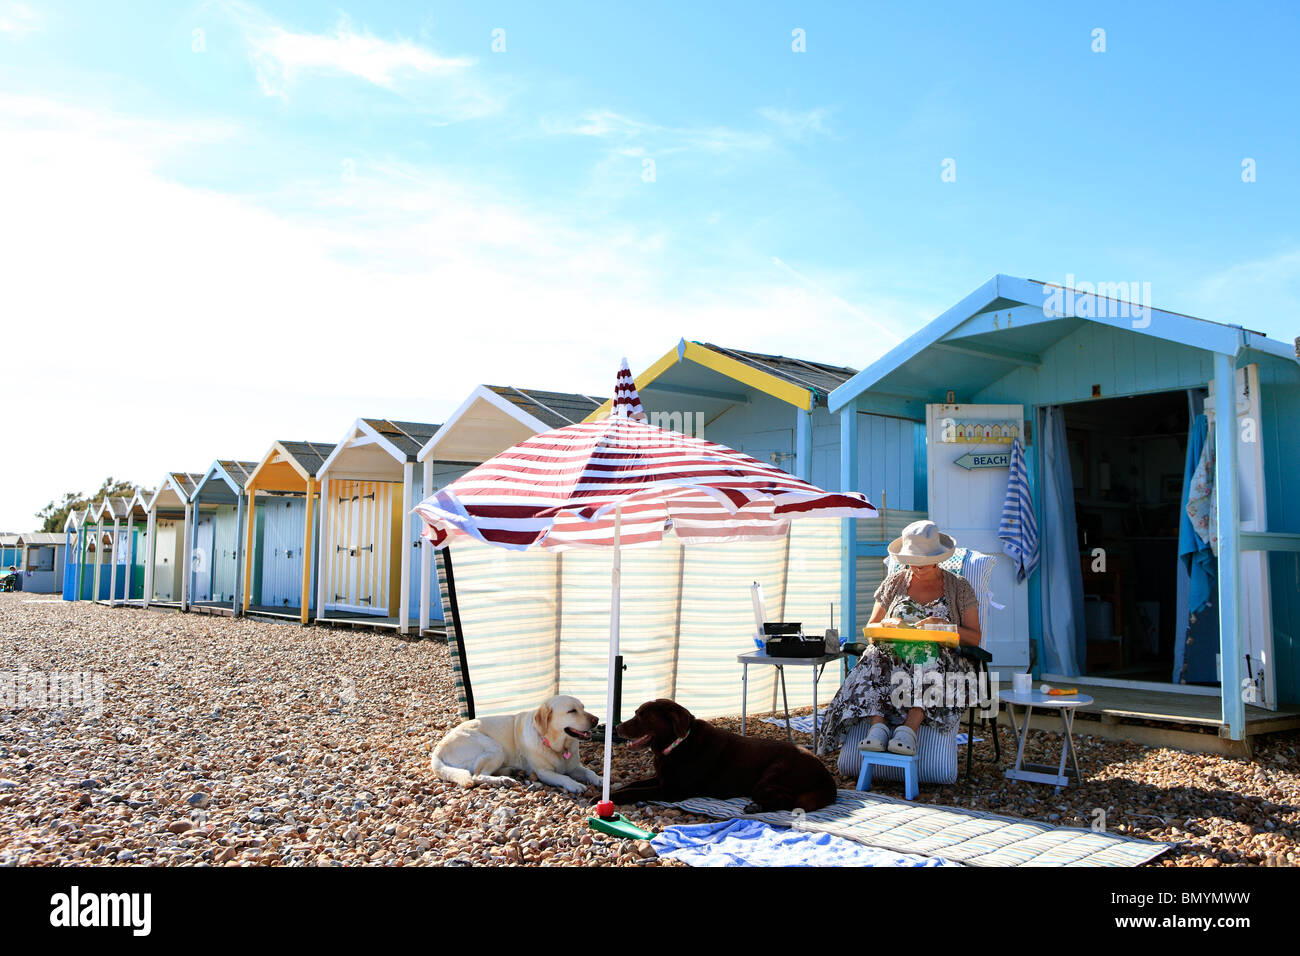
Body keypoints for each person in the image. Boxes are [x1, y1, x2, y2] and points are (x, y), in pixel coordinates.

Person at [819, 520, 981, 762]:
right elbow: (871, 630)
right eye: (911, 561)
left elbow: (976, 638)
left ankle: (909, 731)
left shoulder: (959, 587)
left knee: (926, 651)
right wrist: (887, 625)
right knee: (875, 653)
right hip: (896, 658)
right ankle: (878, 727)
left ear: (938, 557)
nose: (916, 567)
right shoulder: (894, 583)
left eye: (922, 561)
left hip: (943, 662)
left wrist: (945, 627)